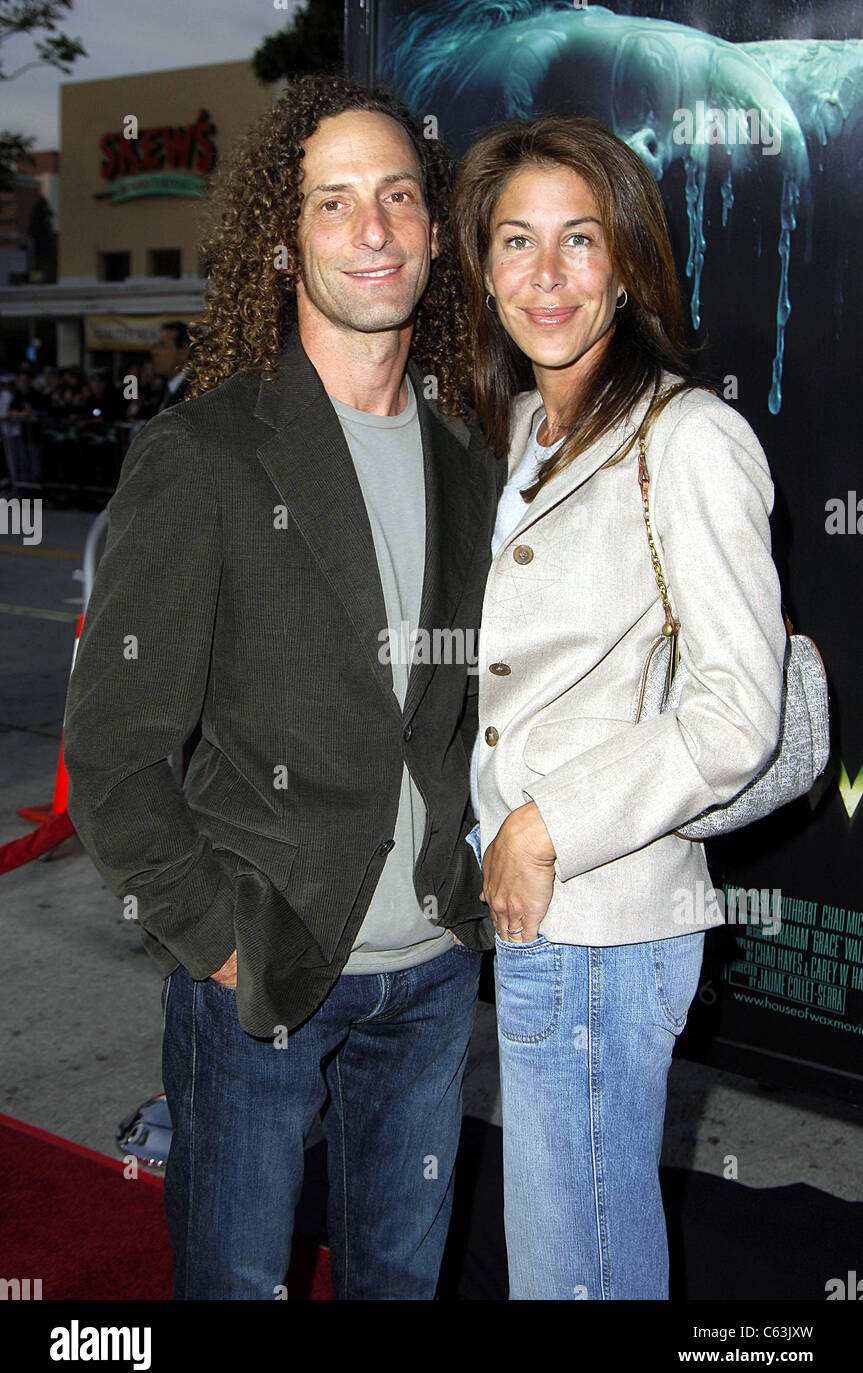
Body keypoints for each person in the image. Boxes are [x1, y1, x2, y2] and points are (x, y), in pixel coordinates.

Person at [63, 74, 501, 1301]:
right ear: (283, 236)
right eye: (333, 203)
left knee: (398, 1287)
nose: (372, 229)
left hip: (428, 981)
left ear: (428, 230)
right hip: (261, 982)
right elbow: (109, 752)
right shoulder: (202, 455)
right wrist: (214, 943)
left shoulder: (469, 457)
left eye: (397, 197)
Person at [451, 114, 788, 1300]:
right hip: (539, 919)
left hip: (604, 915)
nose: (543, 276)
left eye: (577, 239)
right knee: (569, 1256)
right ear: (481, 264)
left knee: (576, 1270)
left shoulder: (686, 437)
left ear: (628, 260)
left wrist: (544, 821)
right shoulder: (516, 436)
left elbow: (737, 709)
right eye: (514, 241)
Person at [150, 321, 191, 412]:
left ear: (183, 352)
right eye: (156, 346)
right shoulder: (164, 390)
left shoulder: (193, 393)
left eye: (162, 346)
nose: (155, 352)